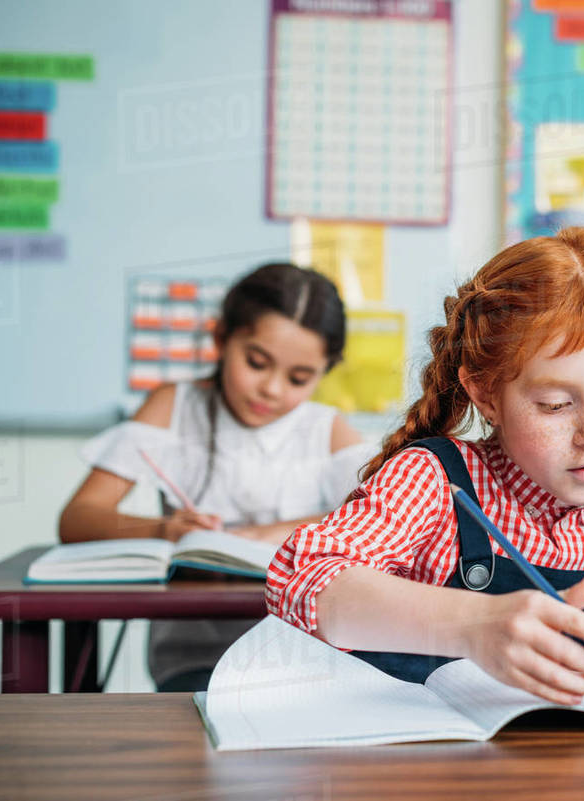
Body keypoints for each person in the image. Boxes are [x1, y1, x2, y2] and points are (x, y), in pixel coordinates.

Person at [267, 227, 584, 705]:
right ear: (486, 394)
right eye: (555, 404)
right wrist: (474, 624)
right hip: (422, 763)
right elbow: (304, 577)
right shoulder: (433, 479)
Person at [59, 263, 374, 692]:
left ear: (325, 370)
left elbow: (376, 523)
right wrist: (165, 530)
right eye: (257, 363)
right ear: (221, 339)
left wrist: (274, 534)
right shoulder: (172, 407)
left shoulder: (327, 429)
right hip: (193, 658)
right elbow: (77, 518)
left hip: (307, 656)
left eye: (299, 378)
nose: (273, 389)